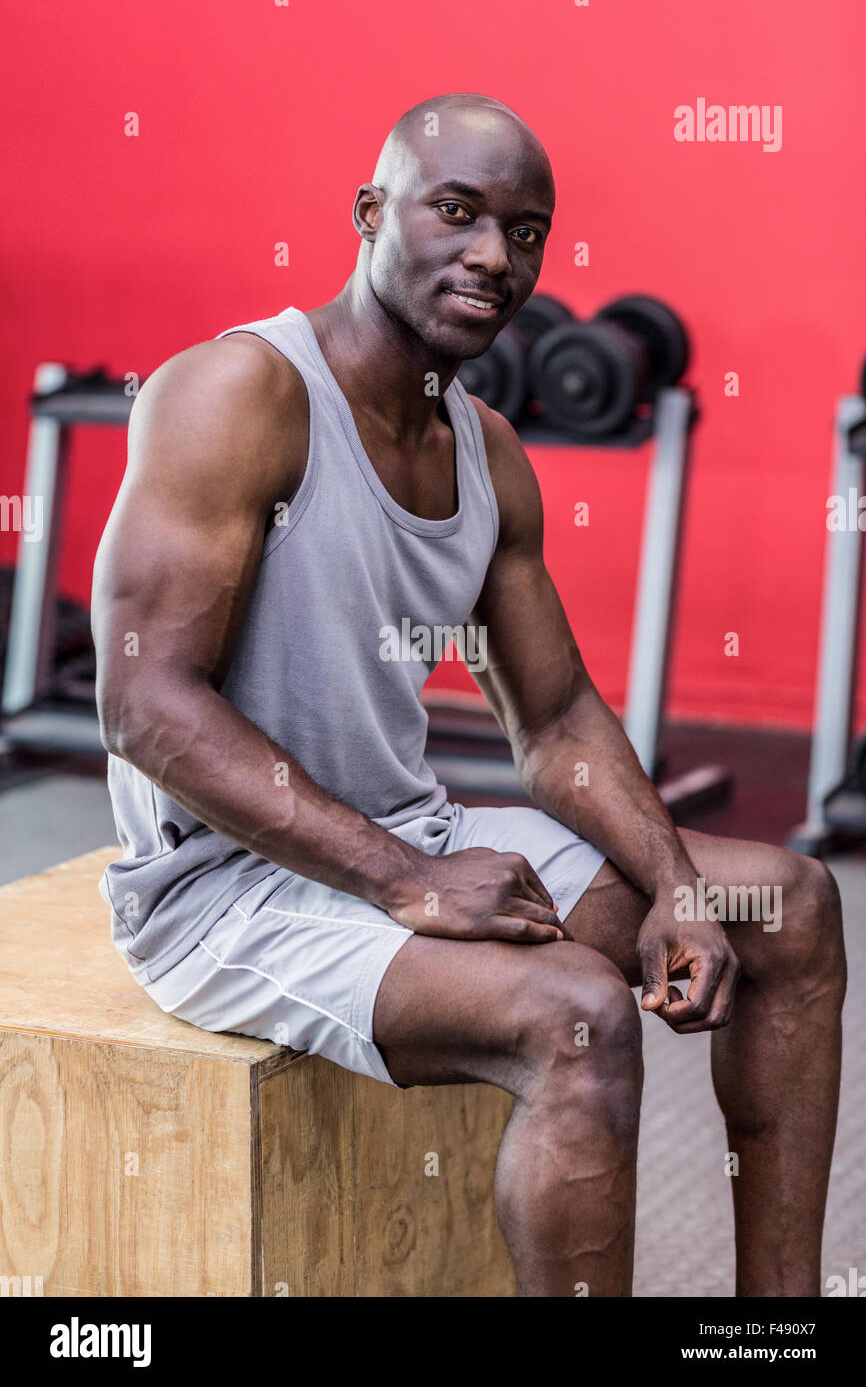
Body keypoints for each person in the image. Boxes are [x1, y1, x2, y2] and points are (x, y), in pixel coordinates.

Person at [91, 91, 845, 1297]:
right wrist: (404, 880)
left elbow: (551, 724)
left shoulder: (483, 449)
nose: (495, 256)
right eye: (458, 212)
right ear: (368, 211)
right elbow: (145, 706)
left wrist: (680, 887)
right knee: (580, 1014)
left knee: (788, 902)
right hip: (224, 891)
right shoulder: (239, 394)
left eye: (527, 231)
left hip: (411, 845)